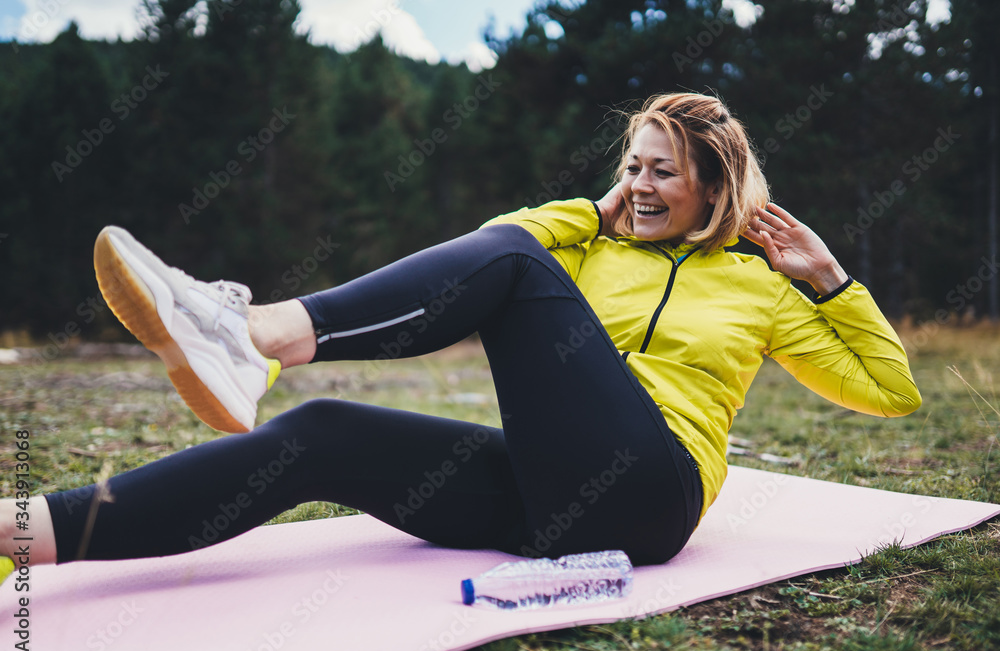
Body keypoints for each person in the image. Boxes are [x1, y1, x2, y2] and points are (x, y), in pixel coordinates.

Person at [0, 92, 921, 581]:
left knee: (517, 267)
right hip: (545, 495)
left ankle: (251, 334)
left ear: (715, 187)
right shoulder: (590, 246)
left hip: (648, 499)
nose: (639, 184)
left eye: (663, 171)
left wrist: (829, 279)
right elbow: (490, 249)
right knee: (320, 433)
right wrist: (586, 214)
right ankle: (32, 531)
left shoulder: (761, 288)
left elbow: (889, 389)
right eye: (630, 165)